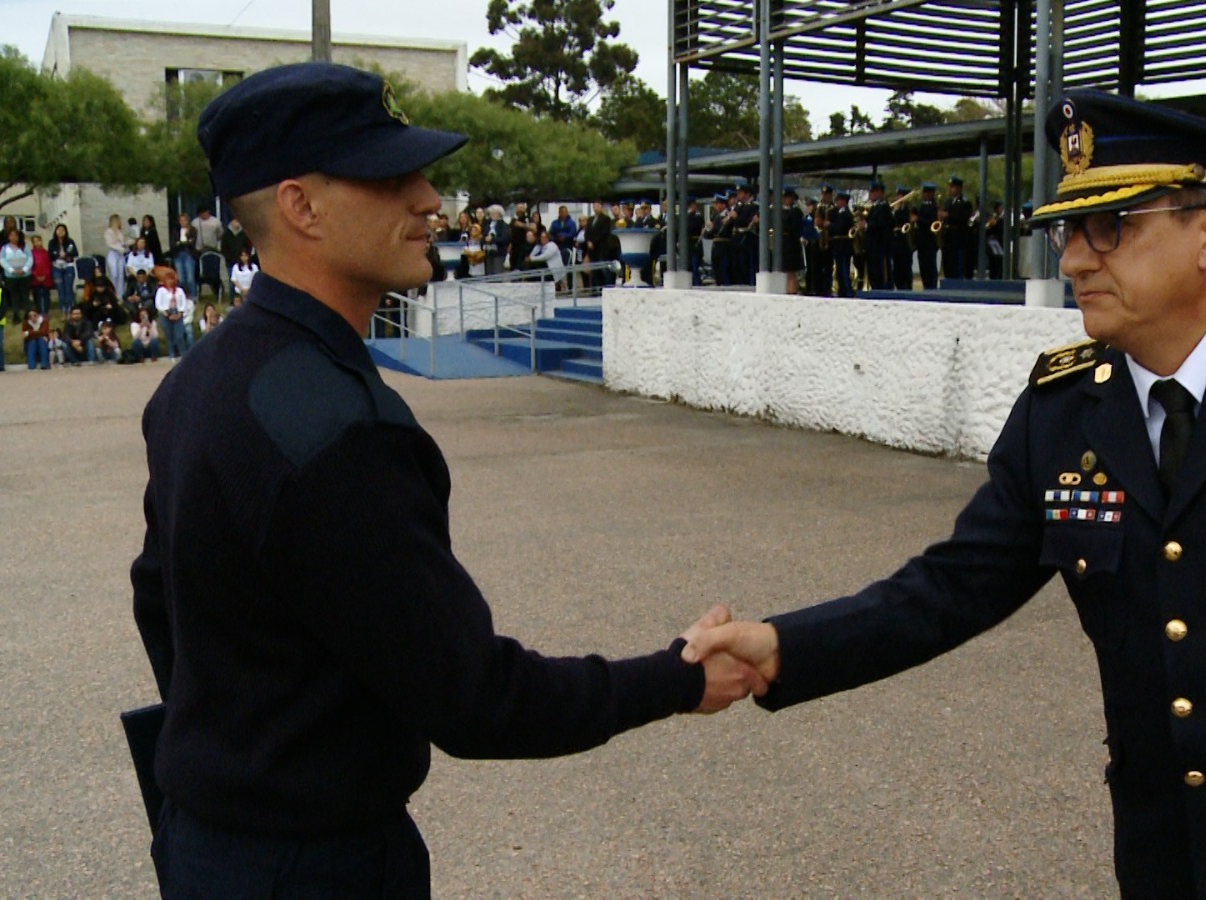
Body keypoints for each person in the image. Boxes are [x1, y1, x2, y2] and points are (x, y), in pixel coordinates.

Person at [685, 90, 1206, 899]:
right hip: (1162, 862)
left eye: (1111, 228)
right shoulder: (1065, 408)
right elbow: (950, 587)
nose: (1074, 259)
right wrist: (784, 647)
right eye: (1070, 231)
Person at [132, 62, 764, 896]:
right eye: (393, 176)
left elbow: (158, 599)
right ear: (301, 206)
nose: (430, 199)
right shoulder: (336, 427)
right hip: (312, 867)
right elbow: (473, 697)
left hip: (209, 841)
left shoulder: (198, 378)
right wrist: (678, 678)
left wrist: (240, 742)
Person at [941, 175, 975, 280]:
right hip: (948, 237)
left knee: (957, 265)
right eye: (950, 187)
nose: (950, 189)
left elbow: (963, 218)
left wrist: (948, 215)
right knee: (948, 265)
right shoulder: (948, 202)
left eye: (953, 187)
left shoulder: (965, 202)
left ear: (959, 188)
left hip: (958, 237)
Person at [154, 270, 192, 359]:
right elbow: (158, 304)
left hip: (178, 312)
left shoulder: (179, 290)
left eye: (172, 279)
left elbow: (183, 303)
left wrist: (180, 313)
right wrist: (167, 314)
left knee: (179, 336)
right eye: (168, 279)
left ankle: (183, 354)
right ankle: (172, 355)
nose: (170, 281)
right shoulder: (161, 290)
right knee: (169, 336)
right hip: (165, 313)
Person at [0, 228, 32, 324]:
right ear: (8, 237)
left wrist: (24, 269)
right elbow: (2, 260)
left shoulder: (24, 247)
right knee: (14, 296)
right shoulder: (4, 248)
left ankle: (28, 314)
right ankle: (16, 315)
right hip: (11, 276)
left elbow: (30, 258)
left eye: (16, 235)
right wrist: (12, 270)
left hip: (25, 275)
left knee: (25, 295)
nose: (14, 237)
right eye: (11, 235)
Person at [827, 191, 854, 297]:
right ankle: (842, 290)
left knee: (843, 270)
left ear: (843, 201)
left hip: (843, 246)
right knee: (839, 270)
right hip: (838, 246)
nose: (836, 203)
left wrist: (829, 225)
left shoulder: (845, 214)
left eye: (838, 200)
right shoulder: (840, 213)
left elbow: (840, 228)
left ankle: (847, 291)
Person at [48, 224, 79, 314]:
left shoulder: (70, 241)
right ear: (55, 231)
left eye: (63, 230)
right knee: (60, 290)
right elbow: (50, 255)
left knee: (68, 288)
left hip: (68, 267)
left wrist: (67, 256)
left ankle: (70, 310)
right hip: (57, 268)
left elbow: (75, 253)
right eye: (59, 229)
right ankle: (63, 310)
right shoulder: (52, 242)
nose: (60, 232)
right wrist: (58, 255)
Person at [915, 182, 940, 290]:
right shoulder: (922, 206)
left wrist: (918, 219)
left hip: (929, 241)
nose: (924, 194)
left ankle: (931, 287)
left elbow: (931, 221)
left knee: (930, 266)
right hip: (921, 241)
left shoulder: (934, 206)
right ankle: (926, 285)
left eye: (926, 192)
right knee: (923, 266)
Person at [170, 213, 198, 300]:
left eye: (184, 220)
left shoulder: (192, 230)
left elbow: (192, 243)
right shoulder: (175, 230)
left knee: (190, 278)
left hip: (188, 254)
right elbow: (173, 243)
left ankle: (193, 296)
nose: (182, 222)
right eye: (181, 220)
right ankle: (181, 296)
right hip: (178, 254)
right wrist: (181, 243)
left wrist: (184, 241)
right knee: (181, 278)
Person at [105, 214, 128, 300]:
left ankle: (120, 295)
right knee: (114, 274)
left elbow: (122, 242)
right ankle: (112, 293)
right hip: (113, 253)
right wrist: (119, 248)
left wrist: (125, 245)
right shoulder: (108, 231)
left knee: (121, 274)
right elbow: (109, 244)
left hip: (120, 254)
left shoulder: (119, 232)